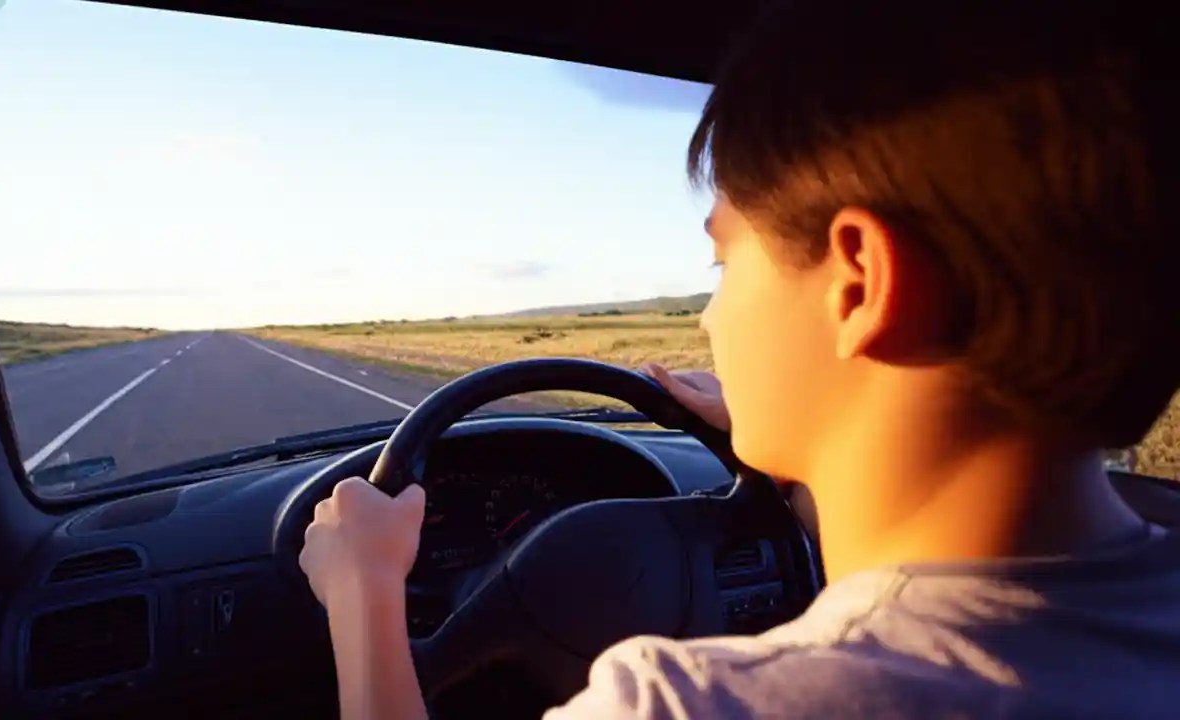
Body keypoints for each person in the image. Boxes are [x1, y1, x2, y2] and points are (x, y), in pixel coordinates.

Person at [297, 0, 1180, 717]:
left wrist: (366, 595)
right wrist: (802, 438)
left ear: (861, 285)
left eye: (724, 262)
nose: (714, 316)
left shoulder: (693, 703)